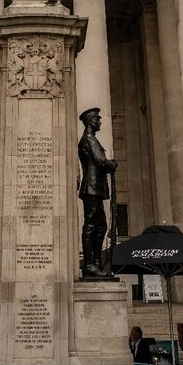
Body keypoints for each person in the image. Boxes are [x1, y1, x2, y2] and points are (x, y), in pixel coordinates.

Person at [78, 107, 117, 278]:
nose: (100, 122)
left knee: (101, 226)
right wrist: (112, 164)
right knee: (92, 225)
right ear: (90, 122)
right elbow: (101, 162)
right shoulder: (89, 139)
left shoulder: (92, 139)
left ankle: (95, 261)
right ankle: (89, 264)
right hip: (91, 188)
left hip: (96, 189)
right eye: (97, 120)